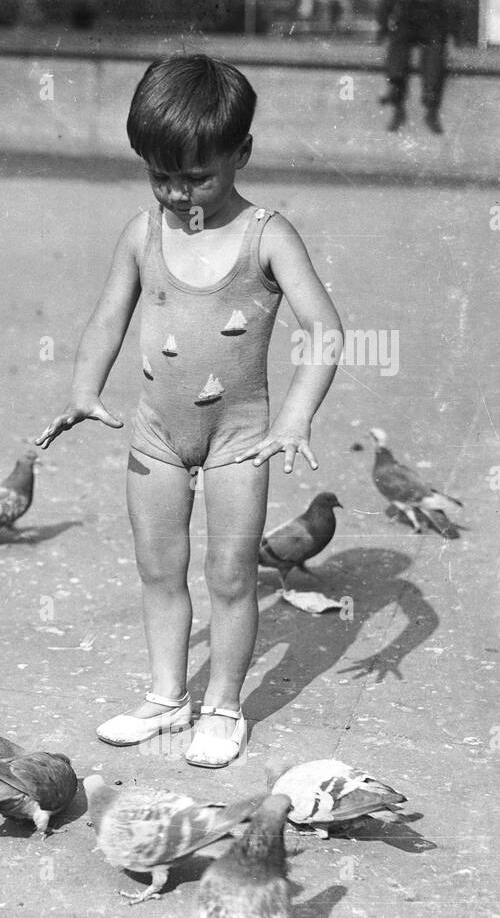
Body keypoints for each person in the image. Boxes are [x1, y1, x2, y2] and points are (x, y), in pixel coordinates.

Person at [35, 55, 341, 769]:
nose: (176, 193)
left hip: (240, 438)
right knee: (158, 568)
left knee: (232, 575)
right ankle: (168, 695)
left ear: (242, 154)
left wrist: (295, 418)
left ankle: (225, 706)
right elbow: (109, 317)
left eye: (196, 176)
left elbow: (324, 330)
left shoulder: (268, 235)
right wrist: (85, 390)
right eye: (159, 175)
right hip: (155, 435)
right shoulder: (144, 234)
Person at [376, 0, 458, 134]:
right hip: (406, 26)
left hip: (432, 27)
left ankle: (431, 107)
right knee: (397, 43)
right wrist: (384, 29)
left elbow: (452, 9)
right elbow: (384, 5)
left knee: (435, 53)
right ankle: (396, 97)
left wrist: (451, 35)